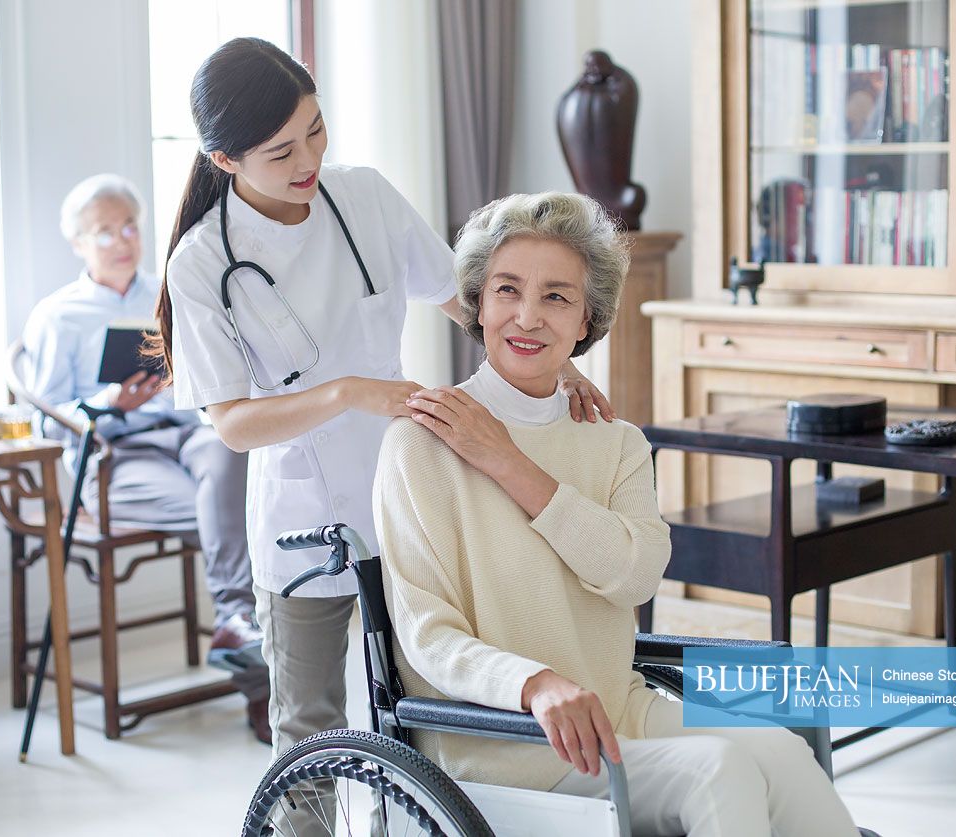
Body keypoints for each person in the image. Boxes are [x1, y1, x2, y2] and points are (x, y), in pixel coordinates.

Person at [150, 37, 614, 829]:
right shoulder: (201, 264)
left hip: (411, 497)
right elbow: (231, 424)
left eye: (315, 130)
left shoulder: (361, 195)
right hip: (302, 523)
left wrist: (551, 352)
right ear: (225, 160)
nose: (308, 159)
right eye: (280, 150)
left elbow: (461, 298)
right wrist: (346, 392)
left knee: (423, 710)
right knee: (310, 730)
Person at [374, 191, 863, 837]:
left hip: (616, 704)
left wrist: (507, 462)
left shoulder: (614, 440)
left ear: (585, 320)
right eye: (506, 290)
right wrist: (536, 683)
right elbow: (427, 635)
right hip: (501, 737)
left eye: (555, 296)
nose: (526, 315)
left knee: (776, 745)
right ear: (476, 303)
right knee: (716, 766)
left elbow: (635, 578)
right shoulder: (420, 442)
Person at [22, 173, 271, 743]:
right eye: (105, 232)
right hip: (115, 453)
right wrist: (107, 401)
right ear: (80, 244)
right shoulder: (58, 315)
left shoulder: (168, 291)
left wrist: (179, 381)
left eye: (129, 225)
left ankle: (238, 624)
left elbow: (210, 367)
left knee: (229, 448)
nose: (122, 239)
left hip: (183, 432)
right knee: (230, 514)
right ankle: (254, 658)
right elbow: (43, 417)